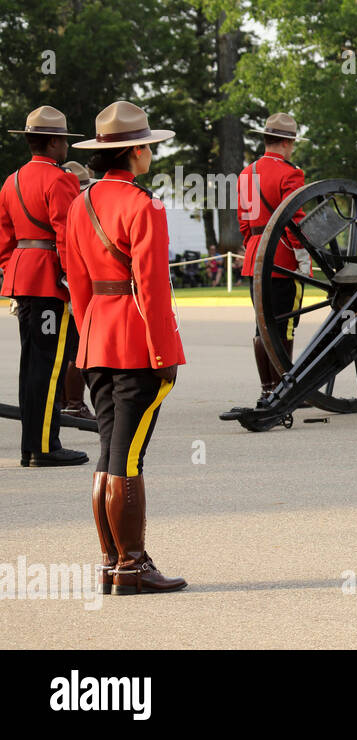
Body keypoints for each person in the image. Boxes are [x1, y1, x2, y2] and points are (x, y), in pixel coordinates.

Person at [64, 101, 186, 594]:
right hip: (136, 343)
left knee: (109, 454)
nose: (152, 154)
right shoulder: (144, 205)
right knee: (129, 458)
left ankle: (113, 563)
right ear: (134, 152)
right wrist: (163, 354)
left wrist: (88, 333)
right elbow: (153, 289)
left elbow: (76, 283)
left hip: (97, 338)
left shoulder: (79, 204)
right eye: (149, 147)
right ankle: (132, 567)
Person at [0, 106, 88, 466]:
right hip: (51, 280)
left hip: (23, 277)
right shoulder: (60, 180)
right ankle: (44, 447)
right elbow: (68, 236)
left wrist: (14, 270)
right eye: (64, 141)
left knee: (31, 364)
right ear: (53, 142)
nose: (65, 148)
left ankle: (31, 445)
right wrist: (72, 278)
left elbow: (4, 241)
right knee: (50, 365)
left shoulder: (12, 180)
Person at [237, 113, 309, 405]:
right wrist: (302, 256)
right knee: (284, 326)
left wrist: (255, 246)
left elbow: (243, 221)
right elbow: (295, 218)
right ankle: (284, 389)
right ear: (288, 143)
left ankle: (268, 388)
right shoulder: (291, 173)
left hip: (256, 255)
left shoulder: (246, 173)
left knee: (262, 325)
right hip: (282, 257)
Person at [58, 161, 96, 422]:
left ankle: (63, 400)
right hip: (71, 285)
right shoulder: (78, 209)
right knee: (77, 347)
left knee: (63, 349)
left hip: (48, 282)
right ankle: (73, 402)